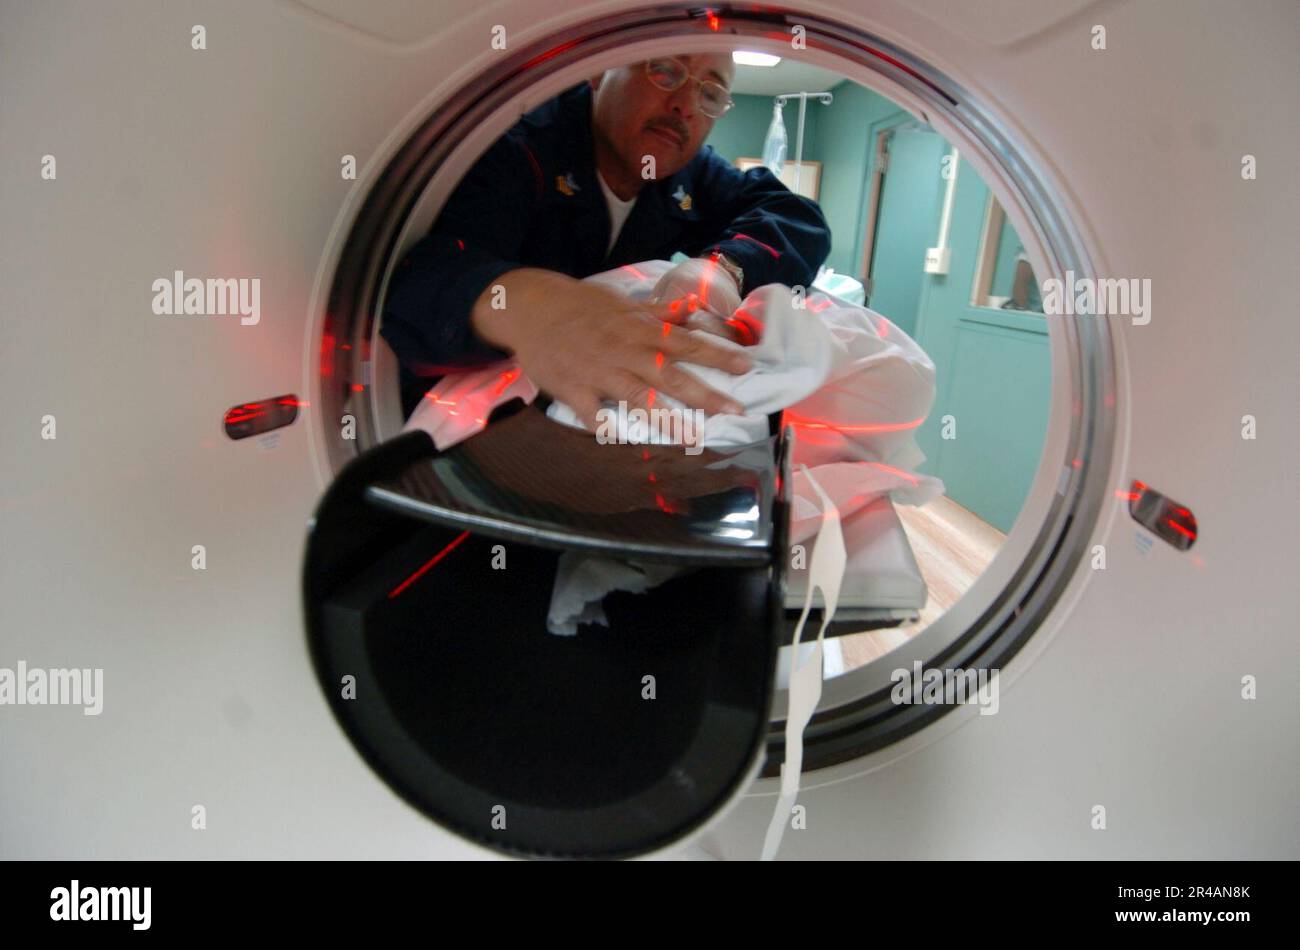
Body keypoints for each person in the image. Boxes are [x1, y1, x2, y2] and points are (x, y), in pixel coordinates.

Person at [381, 53, 832, 422]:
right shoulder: (518, 147)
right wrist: (532, 308)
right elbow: (419, 274)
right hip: (479, 419)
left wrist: (721, 268)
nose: (685, 105)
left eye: (710, 92)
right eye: (665, 69)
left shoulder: (691, 174)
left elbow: (793, 216)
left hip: (601, 427)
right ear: (599, 70)